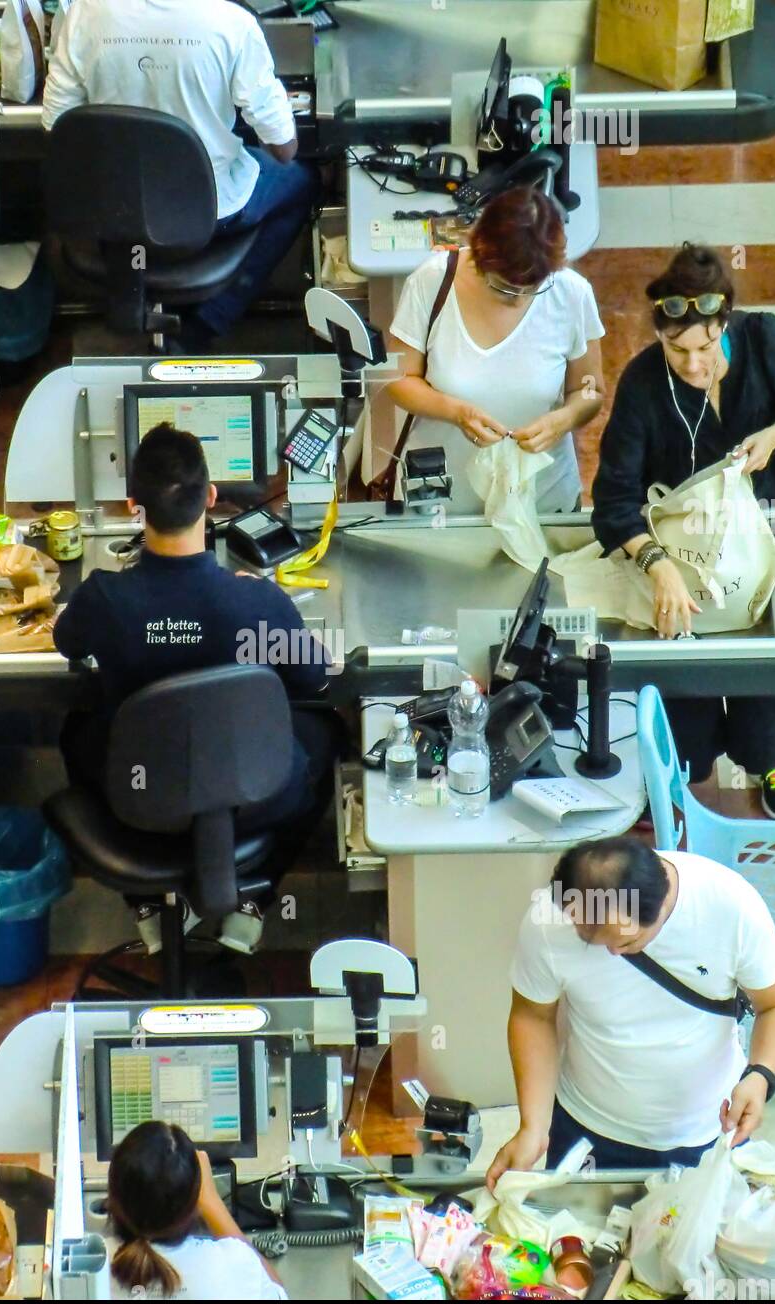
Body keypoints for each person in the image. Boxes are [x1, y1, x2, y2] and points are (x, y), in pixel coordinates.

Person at [54, 423, 342, 951]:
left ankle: (146, 904)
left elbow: (66, 642)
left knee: (77, 729)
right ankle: (254, 900)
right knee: (325, 733)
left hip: (139, 796)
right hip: (252, 794)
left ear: (133, 506)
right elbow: (316, 679)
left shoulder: (105, 598)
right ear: (211, 498)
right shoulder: (256, 603)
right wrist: (267, 605)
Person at [593, 243, 775, 811]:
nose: (693, 366)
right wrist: (658, 566)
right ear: (659, 335)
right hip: (685, 575)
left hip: (765, 563)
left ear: (725, 324)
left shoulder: (765, 341)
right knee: (688, 734)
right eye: (677, 350)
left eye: (705, 348)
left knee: (766, 718)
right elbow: (614, 501)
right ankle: (689, 806)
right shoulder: (644, 384)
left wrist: (774, 434)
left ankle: (766, 780)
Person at [487, 836, 775, 1186]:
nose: (611, 952)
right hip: (587, 1124)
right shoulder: (549, 921)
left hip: (708, 1128)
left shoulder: (731, 907)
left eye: (626, 942)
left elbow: (772, 1004)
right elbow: (533, 1016)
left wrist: (760, 1074)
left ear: (662, 903)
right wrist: (533, 1126)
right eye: (589, 939)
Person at [42, 0, 317, 349]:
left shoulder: (84, 13)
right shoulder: (233, 23)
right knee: (302, 181)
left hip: (114, 211)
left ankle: (154, 304)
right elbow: (283, 148)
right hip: (210, 213)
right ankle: (204, 324)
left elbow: (55, 128)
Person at [385, 187, 605, 513]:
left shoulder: (573, 294)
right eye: (504, 286)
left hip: (541, 495)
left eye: (532, 288)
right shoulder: (431, 281)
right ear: (479, 255)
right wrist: (457, 412)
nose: (518, 299)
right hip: (440, 492)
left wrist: (563, 419)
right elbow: (399, 379)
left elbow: (589, 389)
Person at [105, 1120, 286, 1300]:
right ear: (193, 1199)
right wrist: (211, 1201)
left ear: (113, 1194)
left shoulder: (93, 1265)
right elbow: (278, 1292)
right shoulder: (235, 1265)